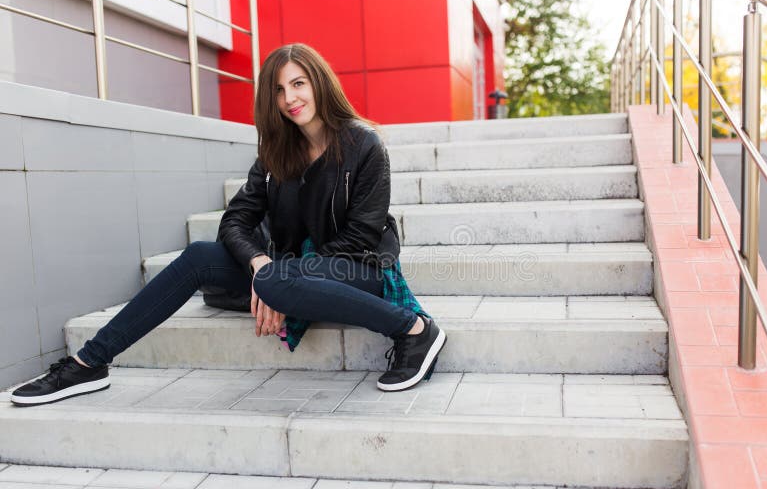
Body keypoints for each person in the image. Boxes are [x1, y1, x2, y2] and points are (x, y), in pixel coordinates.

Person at [11, 43, 447, 407]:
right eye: (278, 90)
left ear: (319, 83)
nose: (290, 97)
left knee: (278, 280)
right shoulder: (277, 151)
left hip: (357, 268)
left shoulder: (364, 145)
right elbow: (236, 220)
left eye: (298, 83)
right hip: (290, 270)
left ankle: (414, 330)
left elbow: (361, 238)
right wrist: (261, 265)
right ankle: (89, 364)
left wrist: (281, 276)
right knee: (202, 255)